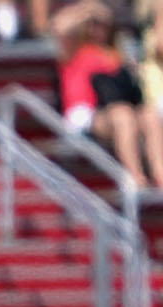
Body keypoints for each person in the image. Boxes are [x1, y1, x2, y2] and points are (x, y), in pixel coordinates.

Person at [52, 0, 163, 189]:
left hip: (114, 109)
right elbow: (59, 26)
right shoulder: (75, 51)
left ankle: (160, 174)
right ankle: (136, 178)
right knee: (122, 115)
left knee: (150, 115)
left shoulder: (115, 54)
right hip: (86, 113)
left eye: (101, 25)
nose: (96, 30)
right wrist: (87, 11)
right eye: (92, 25)